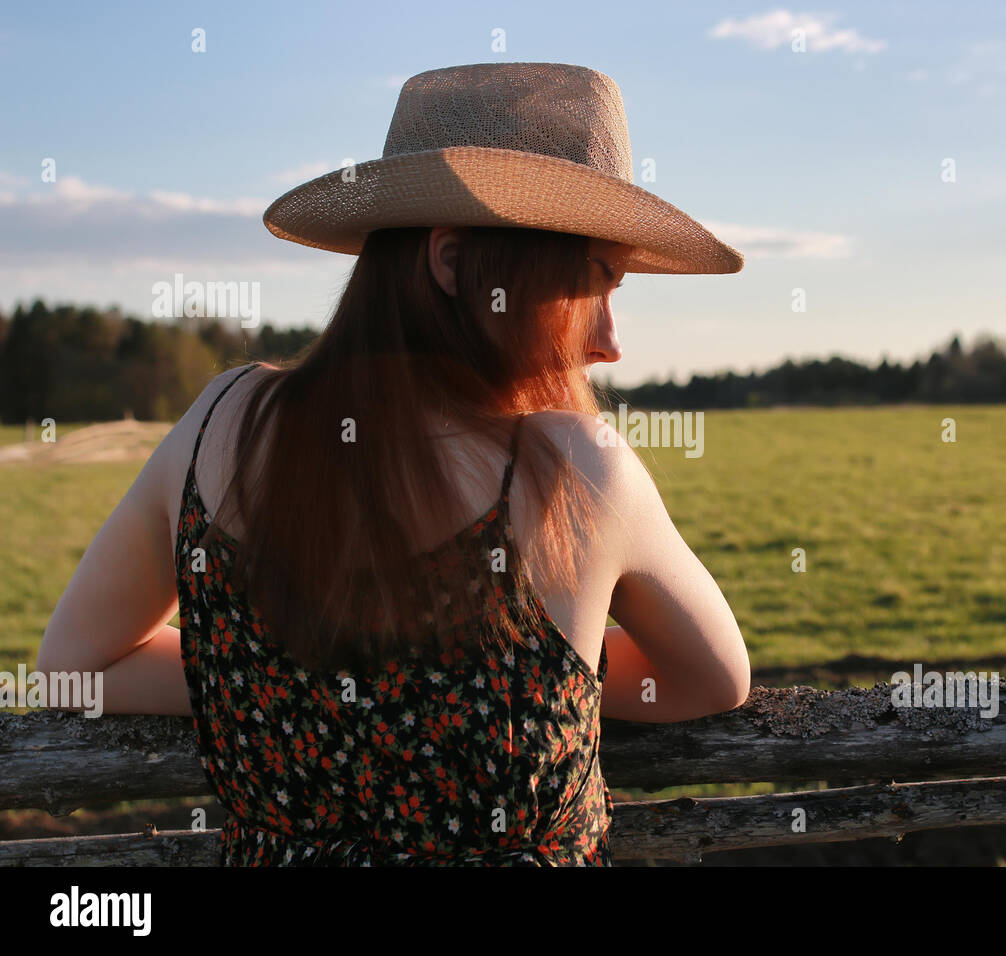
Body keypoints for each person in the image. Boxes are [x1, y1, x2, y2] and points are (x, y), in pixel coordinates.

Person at [36, 63, 749, 865]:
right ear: (450, 262)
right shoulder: (575, 467)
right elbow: (711, 681)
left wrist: (298, 687)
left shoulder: (220, 420)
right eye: (593, 286)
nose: (610, 342)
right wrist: (535, 680)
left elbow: (77, 667)